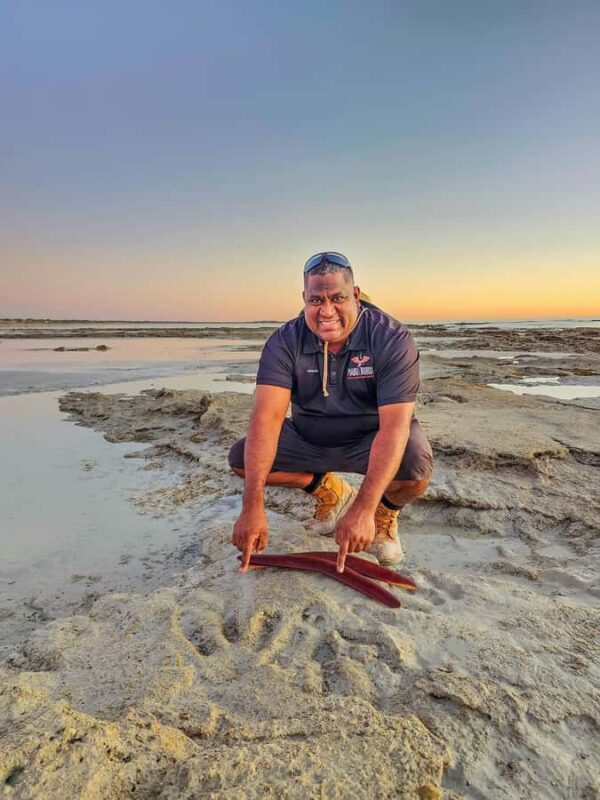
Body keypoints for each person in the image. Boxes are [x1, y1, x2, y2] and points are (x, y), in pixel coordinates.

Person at [229, 251, 433, 574]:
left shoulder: (391, 339)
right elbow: (266, 421)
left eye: (337, 298)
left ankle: (384, 515)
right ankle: (330, 492)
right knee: (242, 459)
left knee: (415, 467)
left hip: (371, 438)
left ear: (355, 295)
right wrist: (252, 506)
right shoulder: (284, 341)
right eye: (316, 300)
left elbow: (394, 428)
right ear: (304, 299)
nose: (326, 311)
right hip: (309, 437)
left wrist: (364, 508)